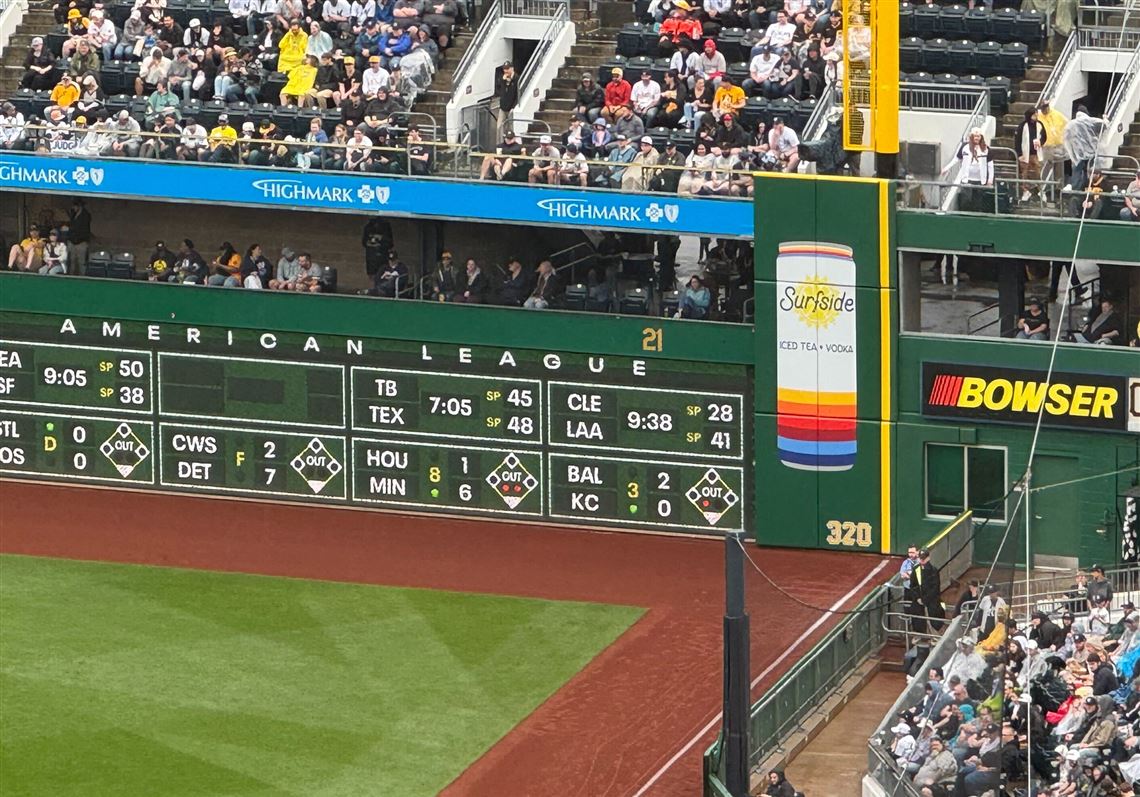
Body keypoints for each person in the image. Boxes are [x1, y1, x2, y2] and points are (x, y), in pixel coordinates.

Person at [1015, 109, 1044, 202]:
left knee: (1038, 173)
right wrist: (1019, 154)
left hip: (1036, 154)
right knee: (1024, 174)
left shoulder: (1040, 124)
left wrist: (1041, 142)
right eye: (1034, 115)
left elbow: (1044, 136)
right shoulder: (1022, 126)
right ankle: (1025, 191)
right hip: (1025, 154)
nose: (1036, 116)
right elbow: (1017, 140)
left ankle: (1041, 190)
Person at [494, 61, 518, 139]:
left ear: (512, 69)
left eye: (507, 69)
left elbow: (517, 94)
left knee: (511, 127)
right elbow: (499, 90)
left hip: (511, 107)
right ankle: (499, 146)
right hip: (503, 107)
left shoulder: (516, 79)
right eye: (504, 69)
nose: (506, 71)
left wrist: (513, 107)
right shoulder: (502, 78)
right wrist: (503, 81)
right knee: (499, 127)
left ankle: (512, 143)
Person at [66, 198, 91, 271]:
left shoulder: (86, 215)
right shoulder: (73, 214)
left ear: (79, 206)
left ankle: (82, 277)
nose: (73, 208)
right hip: (72, 241)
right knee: (71, 261)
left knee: (81, 262)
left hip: (81, 242)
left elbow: (83, 229)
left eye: (75, 206)